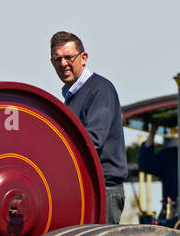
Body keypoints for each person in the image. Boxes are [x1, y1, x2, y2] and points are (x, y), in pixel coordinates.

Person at [50, 31, 126, 223]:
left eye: (68, 57)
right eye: (57, 59)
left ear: (83, 58)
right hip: (85, 189)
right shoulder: (72, 97)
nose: (63, 64)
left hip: (103, 190)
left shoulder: (100, 90)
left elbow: (92, 140)